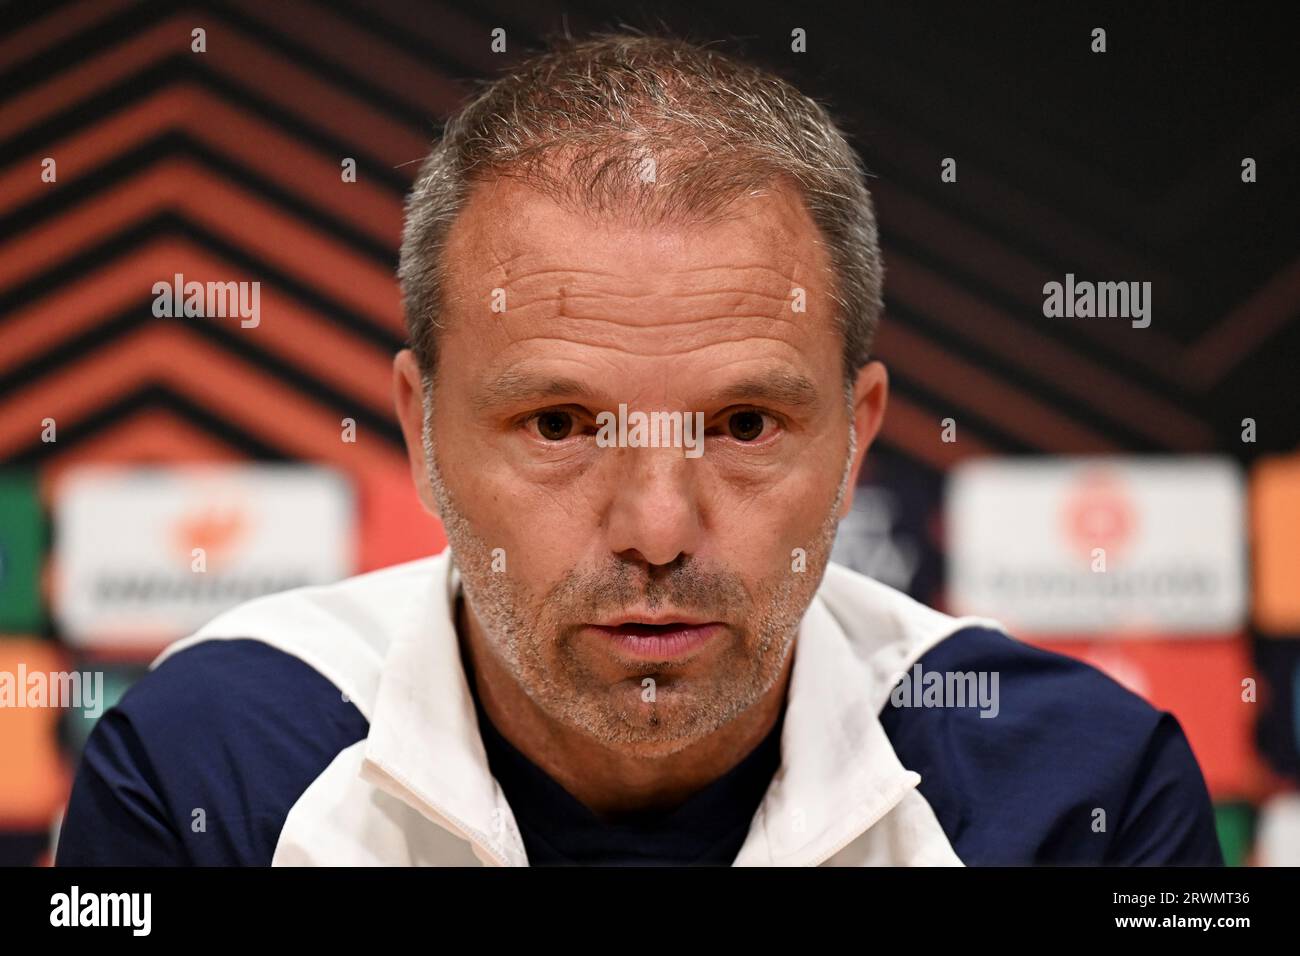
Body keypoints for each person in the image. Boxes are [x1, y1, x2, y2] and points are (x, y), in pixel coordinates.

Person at [56, 32, 1222, 867]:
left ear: (856, 438)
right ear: (421, 430)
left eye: (744, 425)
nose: (658, 530)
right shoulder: (205, 764)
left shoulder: (1085, 790)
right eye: (559, 424)